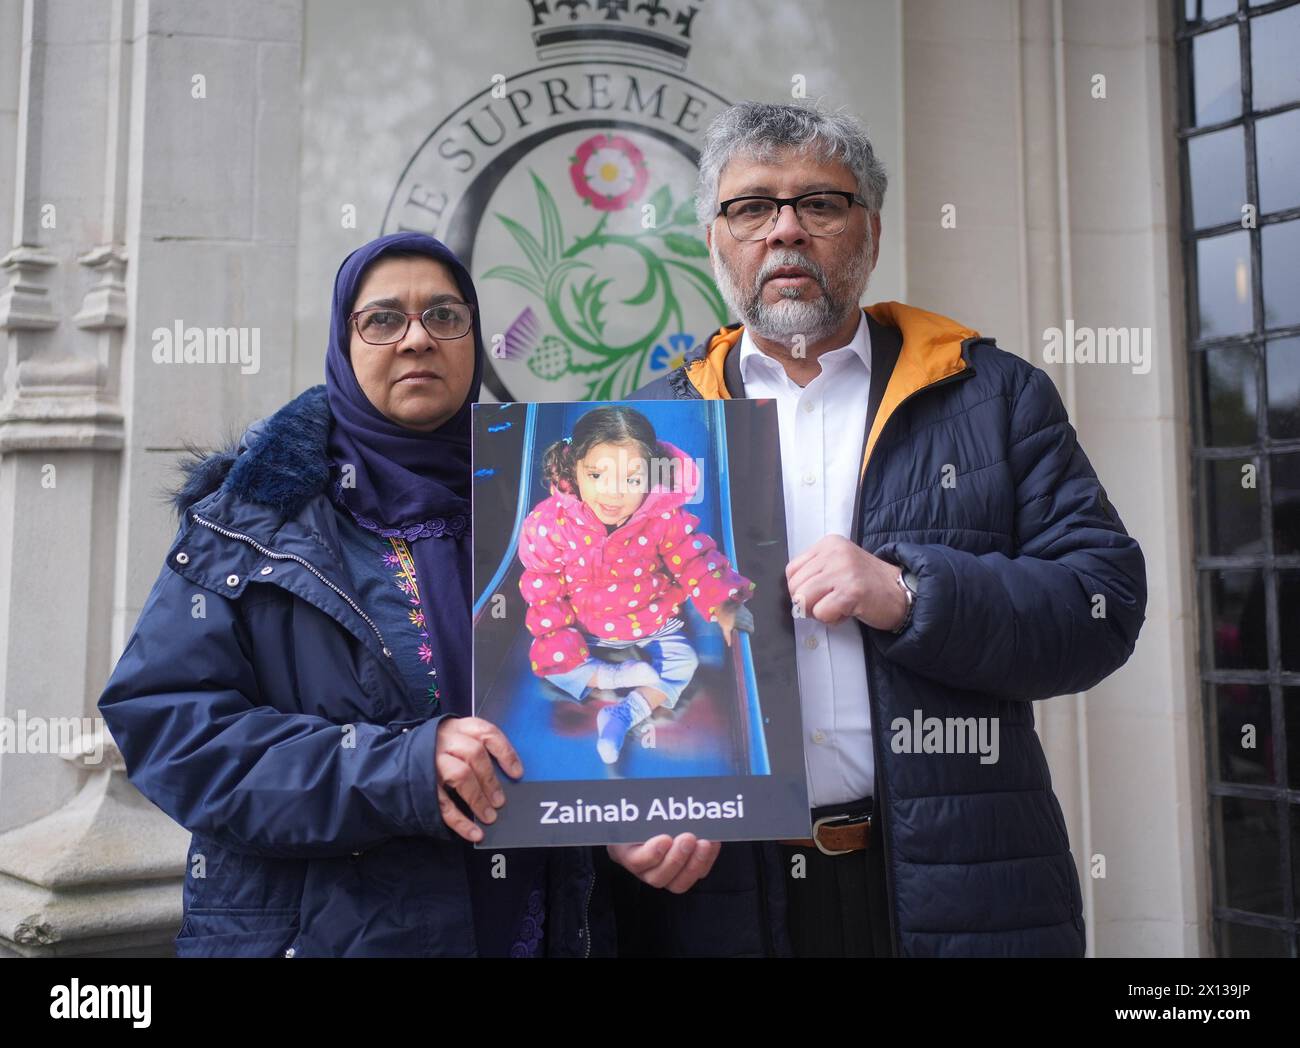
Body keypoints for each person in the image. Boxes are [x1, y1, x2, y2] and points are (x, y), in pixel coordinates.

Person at [607, 101, 1149, 957]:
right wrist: (624, 817)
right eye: (752, 209)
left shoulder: (993, 396)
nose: (785, 232)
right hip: (725, 901)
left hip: (962, 888)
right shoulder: (641, 431)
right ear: (716, 241)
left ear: (872, 232)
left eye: (819, 204)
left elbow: (1102, 606)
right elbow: (595, 642)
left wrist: (908, 594)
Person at [97, 232, 613, 957]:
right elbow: (171, 733)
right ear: (344, 344)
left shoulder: (548, 504)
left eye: (444, 316)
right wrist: (399, 769)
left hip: (534, 919)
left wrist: (633, 814)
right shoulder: (250, 522)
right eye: (382, 320)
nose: (416, 340)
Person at [516, 405, 756, 764]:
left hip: (651, 621)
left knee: (685, 663)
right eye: (597, 475)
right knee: (552, 663)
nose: (613, 495)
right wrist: (563, 644)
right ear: (574, 468)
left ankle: (624, 712)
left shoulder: (661, 518)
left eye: (631, 480)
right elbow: (543, 592)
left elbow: (694, 558)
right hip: (583, 627)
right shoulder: (551, 524)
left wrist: (723, 603)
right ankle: (607, 675)